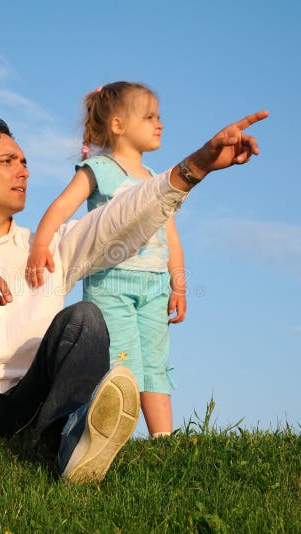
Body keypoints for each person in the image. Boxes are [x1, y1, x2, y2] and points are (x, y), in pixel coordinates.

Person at [0, 109, 268, 492]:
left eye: (24, 162)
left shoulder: (50, 246)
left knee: (86, 316)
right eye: (7, 161)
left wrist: (196, 165)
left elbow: (122, 215)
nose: (23, 171)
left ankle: (72, 439)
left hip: (32, 401)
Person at [26, 82, 184, 437]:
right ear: (118, 125)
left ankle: (163, 441)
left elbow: (170, 236)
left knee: (155, 364)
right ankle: (113, 437)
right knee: (122, 363)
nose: (159, 124)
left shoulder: (158, 180)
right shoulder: (98, 168)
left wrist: (179, 284)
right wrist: (41, 245)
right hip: (111, 284)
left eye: (159, 117)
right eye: (149, 117)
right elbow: (62, 207)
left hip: (155, 286)